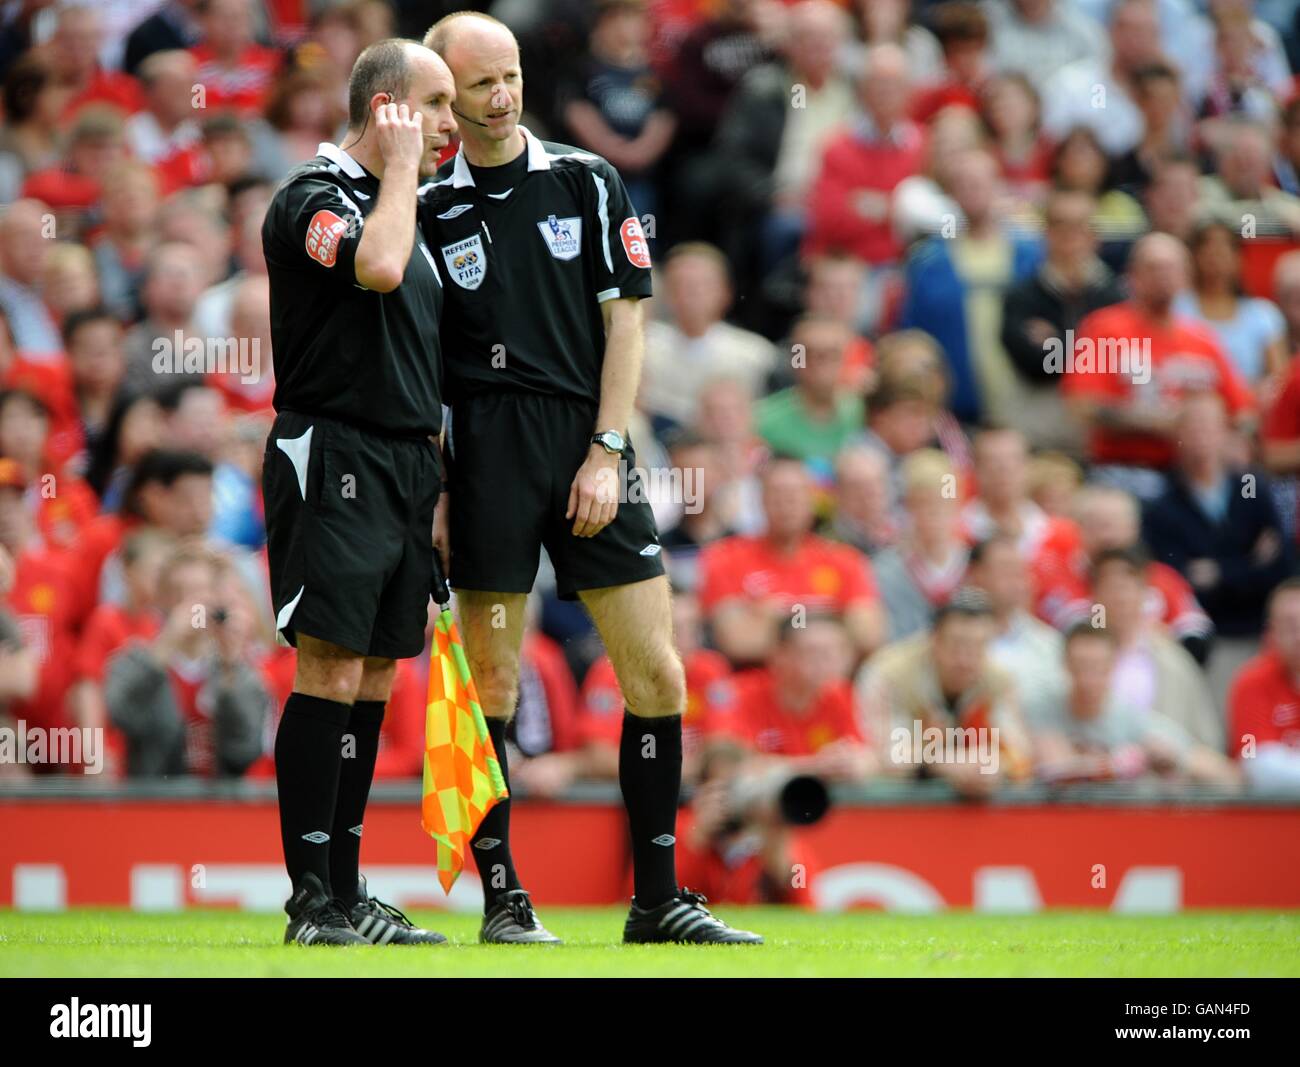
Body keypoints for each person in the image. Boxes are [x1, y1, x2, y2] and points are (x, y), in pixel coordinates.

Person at [419, 12, 761, 946]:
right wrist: (443, 489)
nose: (506, 94)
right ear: (446, 96)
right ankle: (502, 900)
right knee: (492, 676)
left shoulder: (586, 177)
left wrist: (609, 449)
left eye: (513, 74)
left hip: (585, 435)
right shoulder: (425, 206)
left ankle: (657, 899)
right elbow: (420, 367)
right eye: (483, 82)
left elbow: (628, 324)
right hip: (485, 452)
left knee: (655, 670)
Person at [260, 38, 456, 947]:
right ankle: (310, 901)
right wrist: (405, 166)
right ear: (389, 109)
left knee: (376, 673)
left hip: (407, 466)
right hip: (332, 449)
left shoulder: (401, 210)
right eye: (437, 103)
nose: (451, 122)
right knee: (329, 665)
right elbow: (374, 268)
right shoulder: (312, 197)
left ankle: (346, 888)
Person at [1228, 578, 1300, 791]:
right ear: (1272, 631)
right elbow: (1252, 761)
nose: (1299, 635)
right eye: (1289, 625)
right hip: (1270, 815)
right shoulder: (1251, 682)